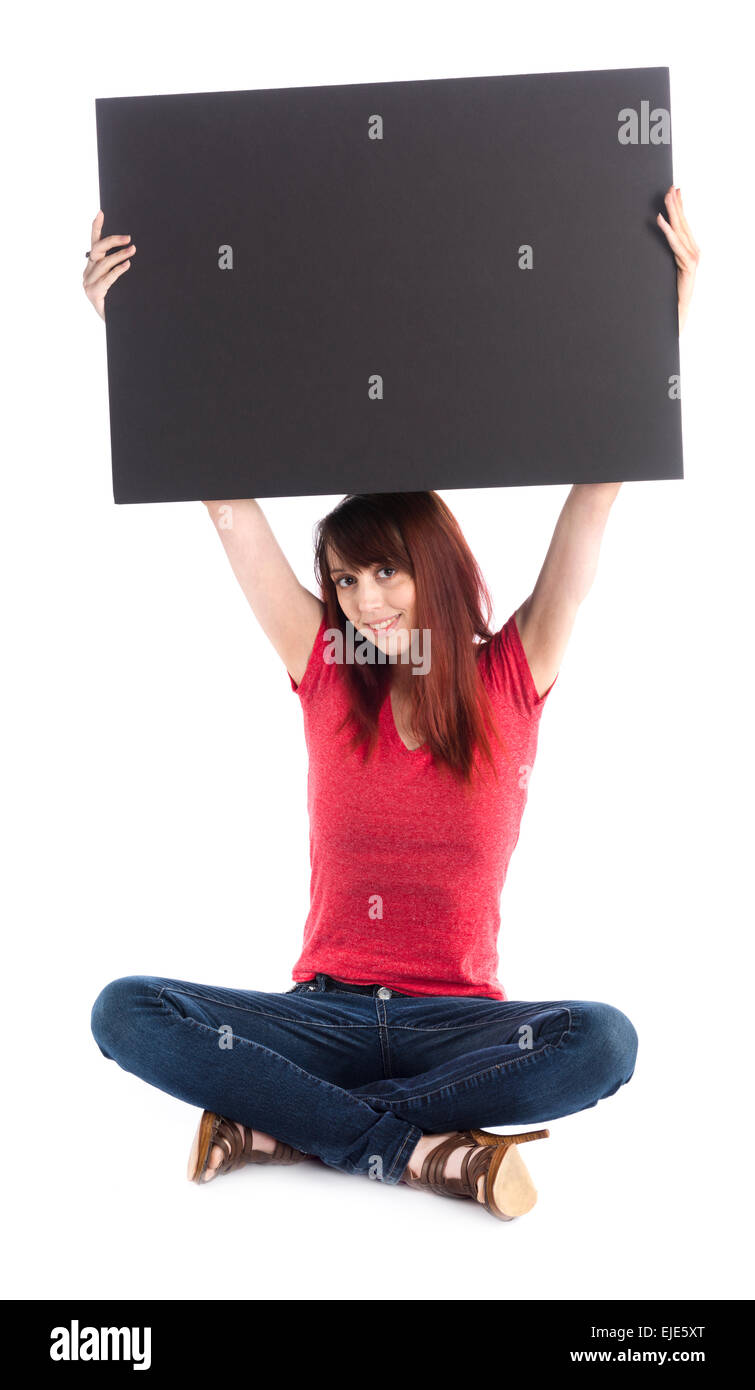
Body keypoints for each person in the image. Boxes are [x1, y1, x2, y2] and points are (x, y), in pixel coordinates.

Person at [84, 187, 699, 1221]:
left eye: (383, 573)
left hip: (458, 1024)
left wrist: (661, 317)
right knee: (126, 1012)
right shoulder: (323, 664)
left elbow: (597, 488)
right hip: (318, 1014)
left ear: (431, 563)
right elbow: (226, 506)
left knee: (603, 1041)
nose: (364, 604)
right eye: (345, 581)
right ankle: (424, 1151)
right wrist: (137, 336)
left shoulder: (514, 670)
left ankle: (284, 1125)